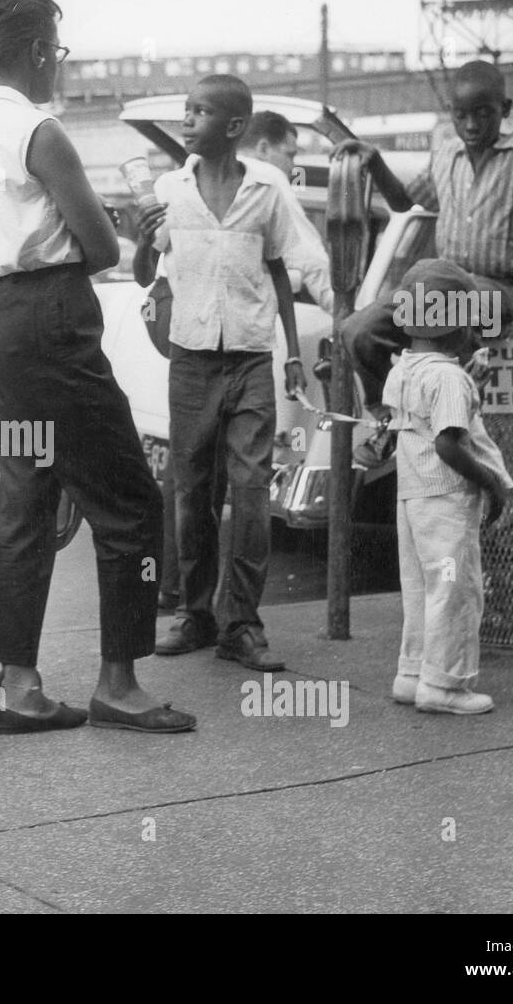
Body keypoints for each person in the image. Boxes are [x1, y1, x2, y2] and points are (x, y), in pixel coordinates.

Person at [0, 0, 194, 734]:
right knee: (129, 501)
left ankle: (19, 684)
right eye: (54, 51)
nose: (57, 65)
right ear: (33, 52)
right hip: (51, 325)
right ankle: (118, 683)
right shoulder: (40, 133)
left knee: (27, 503)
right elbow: (102, 247)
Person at [135, 75, 307, 671]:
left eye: (199, 112)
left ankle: (243, 624)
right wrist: (139, 242)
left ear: (234, 128)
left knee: (253, 492)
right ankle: (197, 614)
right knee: (191, 493)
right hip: (190, 362)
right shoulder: (167, 190)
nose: (186, 121)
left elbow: (281, 270)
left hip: (252, 360)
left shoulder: (267, 190)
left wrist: (290, 353)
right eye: (185, 110)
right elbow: (144, 274)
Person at [336, 60, 513, 467]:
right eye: (462, 115)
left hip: (497, 295)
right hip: (442, 287)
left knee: (438, 321)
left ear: (504, 110)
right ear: (451, 114)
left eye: (483, 113)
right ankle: (393, 420)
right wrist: (375, 162)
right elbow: (405, 202)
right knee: (358, 330)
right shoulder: (446, 155)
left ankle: (442, 424)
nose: (471, 124)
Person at [384, 260, 513, 715]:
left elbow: (427, 420)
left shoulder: (405, 369)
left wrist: (467, 386)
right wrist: (492, 482)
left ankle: (414, 673)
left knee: (420, 585)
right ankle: (446, 685)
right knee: (457, 590)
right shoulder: (449, 376)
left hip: (412, 497)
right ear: (454, 326)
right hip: (448, 498)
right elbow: (449, 444)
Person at [237, 110, 334, 313]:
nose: (293, 167)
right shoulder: (268, 176)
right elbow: (309, 258)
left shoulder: (209, 170)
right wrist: (345, 312)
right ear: (263, 148)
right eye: (289, 155)